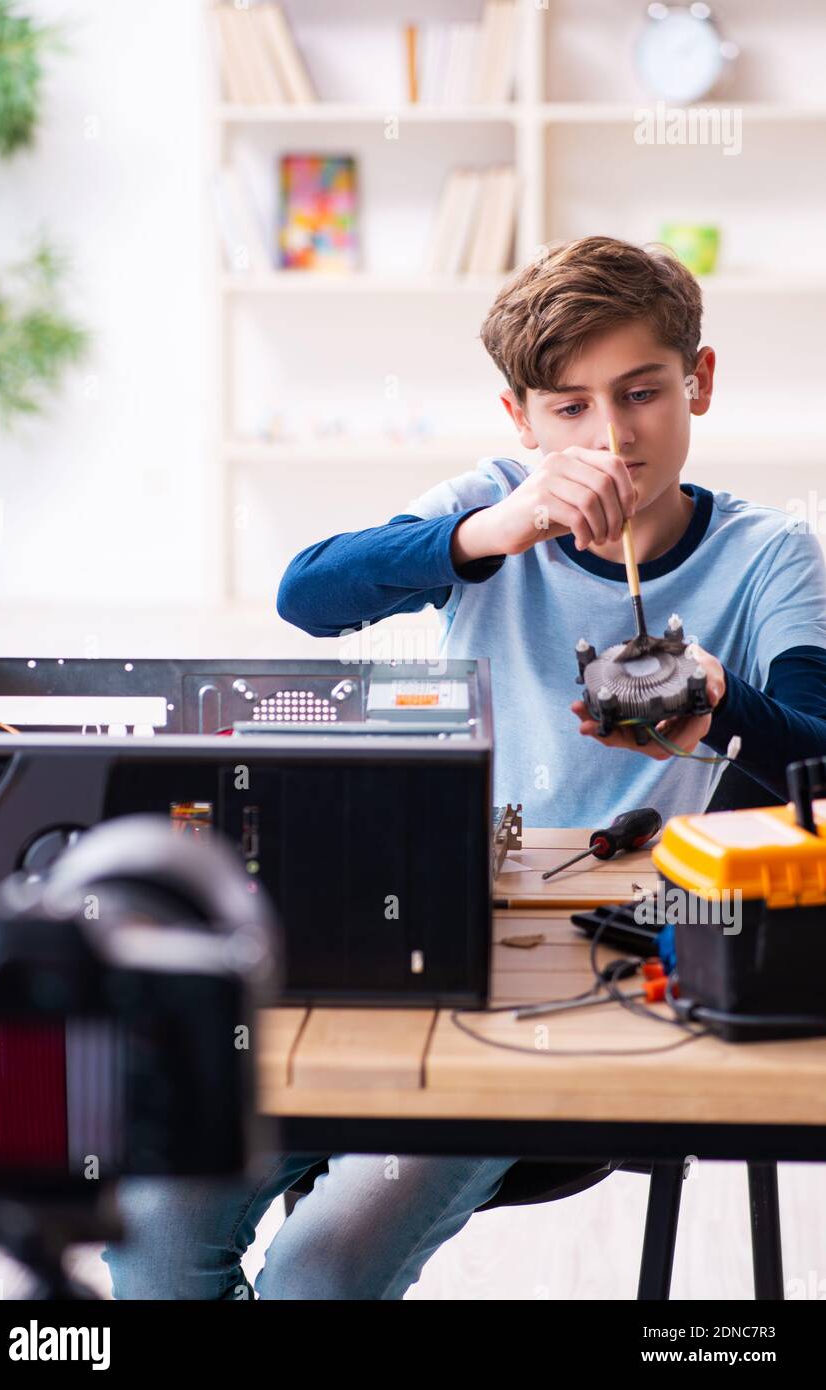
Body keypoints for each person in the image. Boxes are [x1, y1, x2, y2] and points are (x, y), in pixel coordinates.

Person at [104, 235, 826, 1299]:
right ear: (521, 420)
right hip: (414, 927)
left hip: (588, 987)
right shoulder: (490, 501)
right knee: (158, 1226)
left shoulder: (769, 555)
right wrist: (489, 530)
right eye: (569, 407)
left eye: (641, 394)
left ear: (700, 383)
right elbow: (309, 594)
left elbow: (813, 742)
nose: (612, 438)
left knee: (325, 1269)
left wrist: (719, 706)